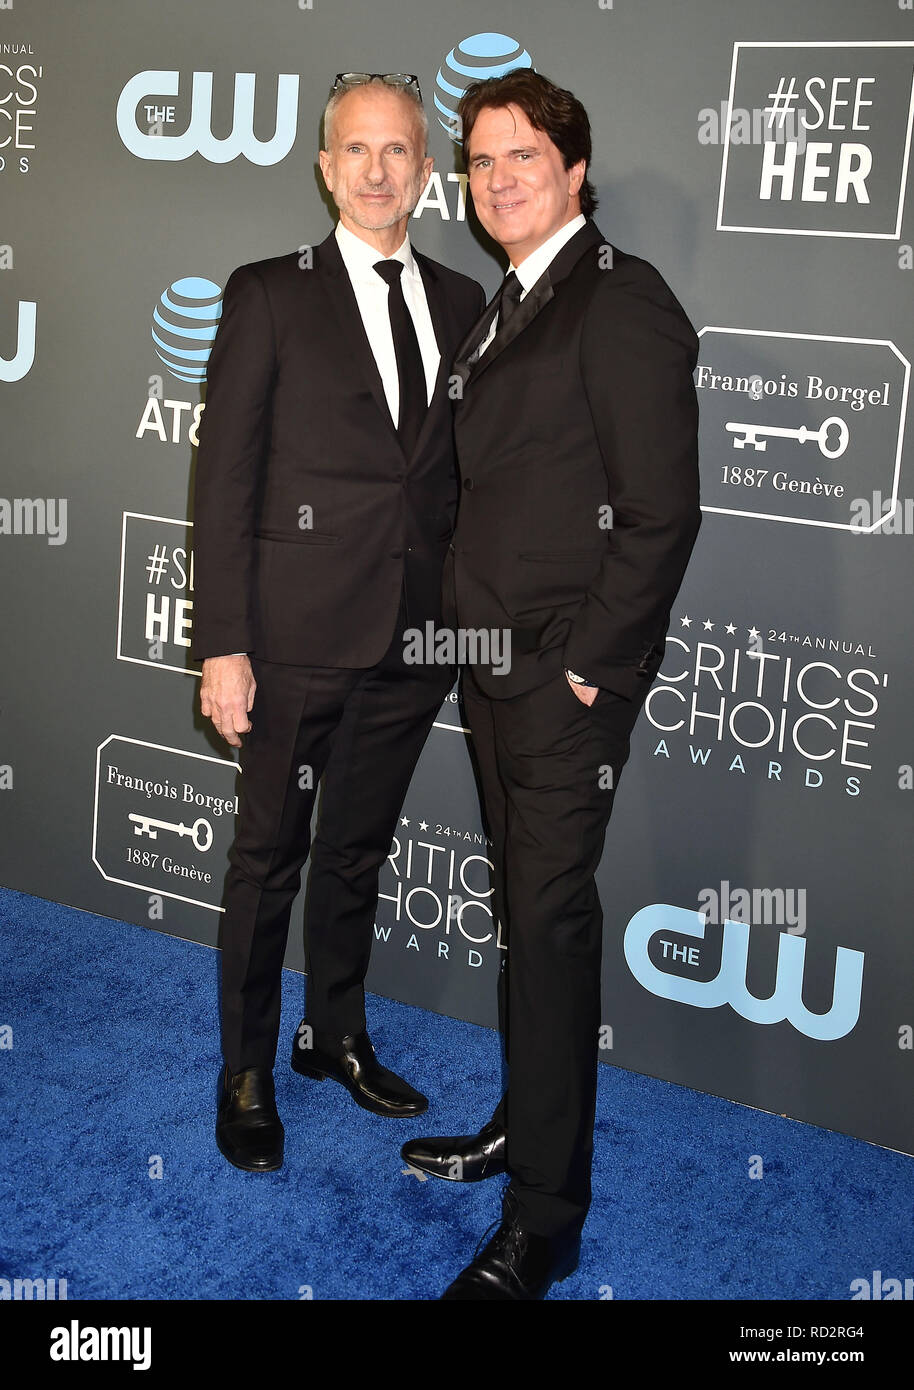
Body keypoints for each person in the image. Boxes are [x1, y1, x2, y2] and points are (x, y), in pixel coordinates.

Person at [401, 69, 702, 1299]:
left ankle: (548, 1216)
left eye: (521, 155)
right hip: (488, 667)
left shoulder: (620, 303)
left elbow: (658, 515)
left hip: (562, 682)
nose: (498, 178)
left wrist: (586, 672)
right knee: (523, 922)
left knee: (548, 924)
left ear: (574, 170)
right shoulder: (503, 304)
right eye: (478, 162)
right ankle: (521, 1130)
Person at [192, 73, 485, 1173]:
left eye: (396, 151)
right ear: (324, 166)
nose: (374, 170)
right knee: (267, 861)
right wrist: (223, 644)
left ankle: (335, 1034)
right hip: (290, 641)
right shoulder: (268, 293)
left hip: (411, 645)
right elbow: (222, 481)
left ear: (425, 171)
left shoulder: (464, 304)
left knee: (356, 851)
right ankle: (250, 1070)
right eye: (353, 150)